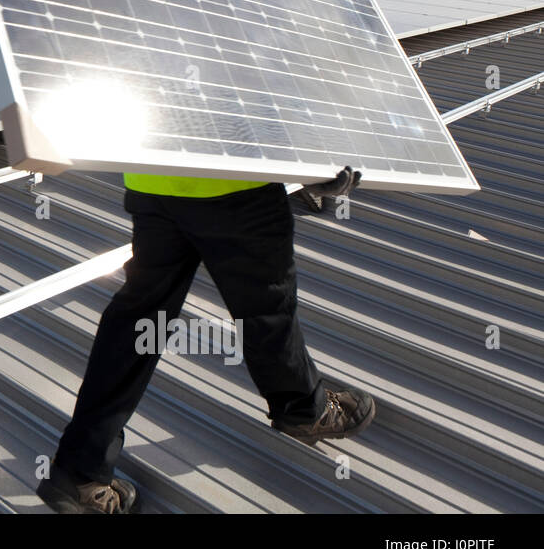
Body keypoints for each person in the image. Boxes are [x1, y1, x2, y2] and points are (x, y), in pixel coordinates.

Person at [37, 168, 375, 514]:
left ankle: (79, 472)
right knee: (265, 305)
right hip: (236, 186)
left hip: (152, 181)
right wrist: (314, 167)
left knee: (138, 321)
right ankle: (303, 409)